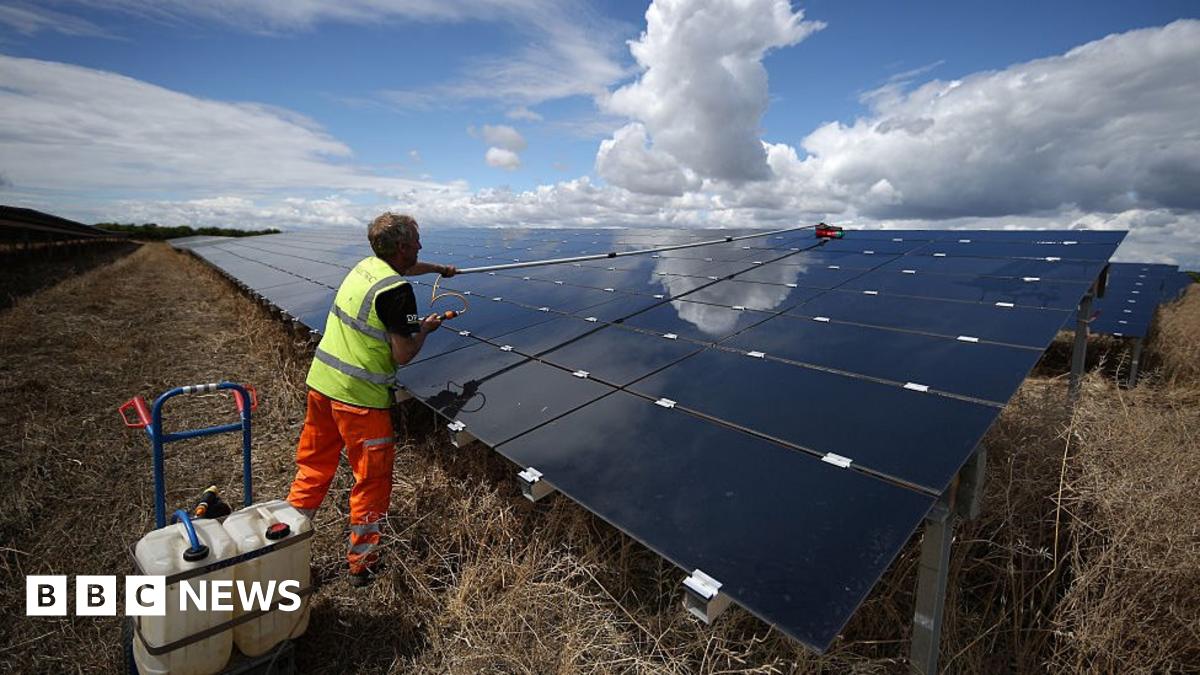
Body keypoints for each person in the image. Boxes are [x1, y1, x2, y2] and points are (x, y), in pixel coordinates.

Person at [286, 212, 457, 586]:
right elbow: (403, 354)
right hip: (360, 401)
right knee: (371, 481)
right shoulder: (397, 293)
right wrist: (425, 329)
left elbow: (404, 269)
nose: (421, 246)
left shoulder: (366, 268)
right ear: (402, 247)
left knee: (313, 467)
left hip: (322, 385)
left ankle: (283, 546)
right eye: (416, 242)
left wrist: (439, 269)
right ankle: (363, 563)